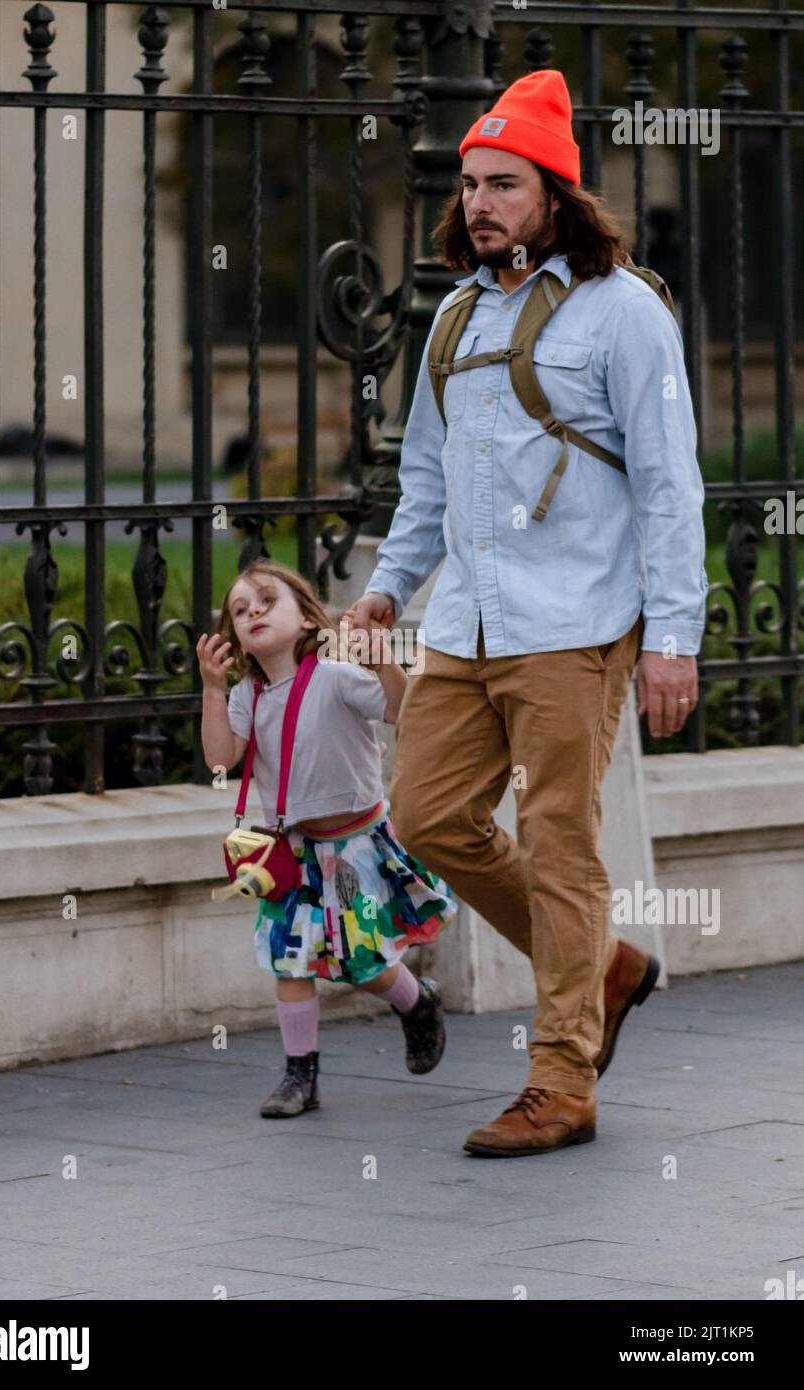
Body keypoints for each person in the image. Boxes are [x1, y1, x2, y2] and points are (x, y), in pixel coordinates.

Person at [346, 69, 708, 1158]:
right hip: (465, 625)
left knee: (560, 849)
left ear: (555, 191)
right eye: (467, 186)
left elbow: (668, 483)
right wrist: (387, 586)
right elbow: (424, 474)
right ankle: (602, 965)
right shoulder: (453, 315)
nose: (478, 205)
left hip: (576, 623)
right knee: (425, 817)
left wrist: (673, 638)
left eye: (502, 183)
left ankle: (560, 1078)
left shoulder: (623, 312)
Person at [198, 560, 457, 1118]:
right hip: (293, 856)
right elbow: (220, 758)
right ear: (234, 634)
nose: (254, 613)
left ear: (306, 614)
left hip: (356, 845)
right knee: (290, 962)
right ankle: (300, 1077)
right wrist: (213, 691)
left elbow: (401, 711)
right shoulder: (247, 696)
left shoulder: (336, 676)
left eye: (267, 600)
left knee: (363, 960)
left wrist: (383, 662)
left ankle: (416, 1003)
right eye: (241, 610)